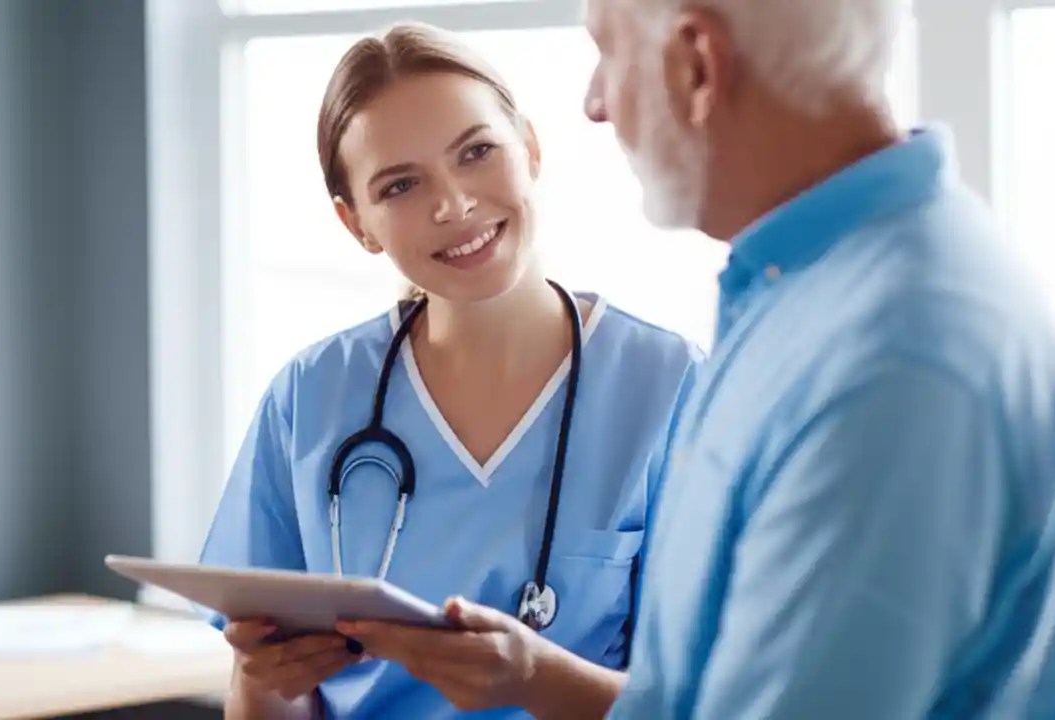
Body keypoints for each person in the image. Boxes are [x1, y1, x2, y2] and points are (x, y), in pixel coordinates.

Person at [571, 0, 1055, 718]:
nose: (595, 103)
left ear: (698, 64)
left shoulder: (895, 362)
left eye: (608, 52)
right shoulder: (804, 286)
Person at [198, 22, 703, 720]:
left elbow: (706, 703)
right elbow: (267, 697)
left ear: (529, 147)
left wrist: (536, 677)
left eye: (477, 152)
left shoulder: (668, 384)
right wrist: (262, 679)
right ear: (358, 225)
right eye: (401, 185)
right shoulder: (309, 397)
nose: (452, 204)